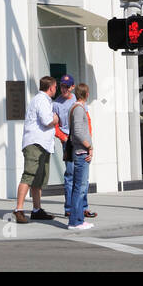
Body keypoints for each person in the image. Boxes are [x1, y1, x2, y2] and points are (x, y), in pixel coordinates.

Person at [14, 76, 59, 223]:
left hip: (43, 144)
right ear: (51, 87)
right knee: (29, 175)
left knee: (38, 179)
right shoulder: (41, 100)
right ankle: (19, 209)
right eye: (55, 87)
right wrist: (56, 118)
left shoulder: (44, 100)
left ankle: (36, 209)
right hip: (35, 144)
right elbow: (47, 121)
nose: (56, 89)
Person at [66, 83, 94, 230]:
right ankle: (75, 222)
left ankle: (79, 219)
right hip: (80, 152)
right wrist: (88, 146)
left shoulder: (77, 108)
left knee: (81, 187)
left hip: (81, 152)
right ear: (86, 94)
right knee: (79, 187)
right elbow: (77, 131)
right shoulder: (78, 109)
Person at [53, 76, 77, 215]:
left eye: (67, 86)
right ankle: (68, 208)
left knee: (81, 175)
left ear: (72, 87)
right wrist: (63, 137)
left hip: (79, 141)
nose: (64, 89)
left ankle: (83, 207)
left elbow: (86, 120)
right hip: (67, 142)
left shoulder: (76, 100)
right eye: (62, 86)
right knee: (70, 174)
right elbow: (55, 126)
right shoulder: (56, 103)